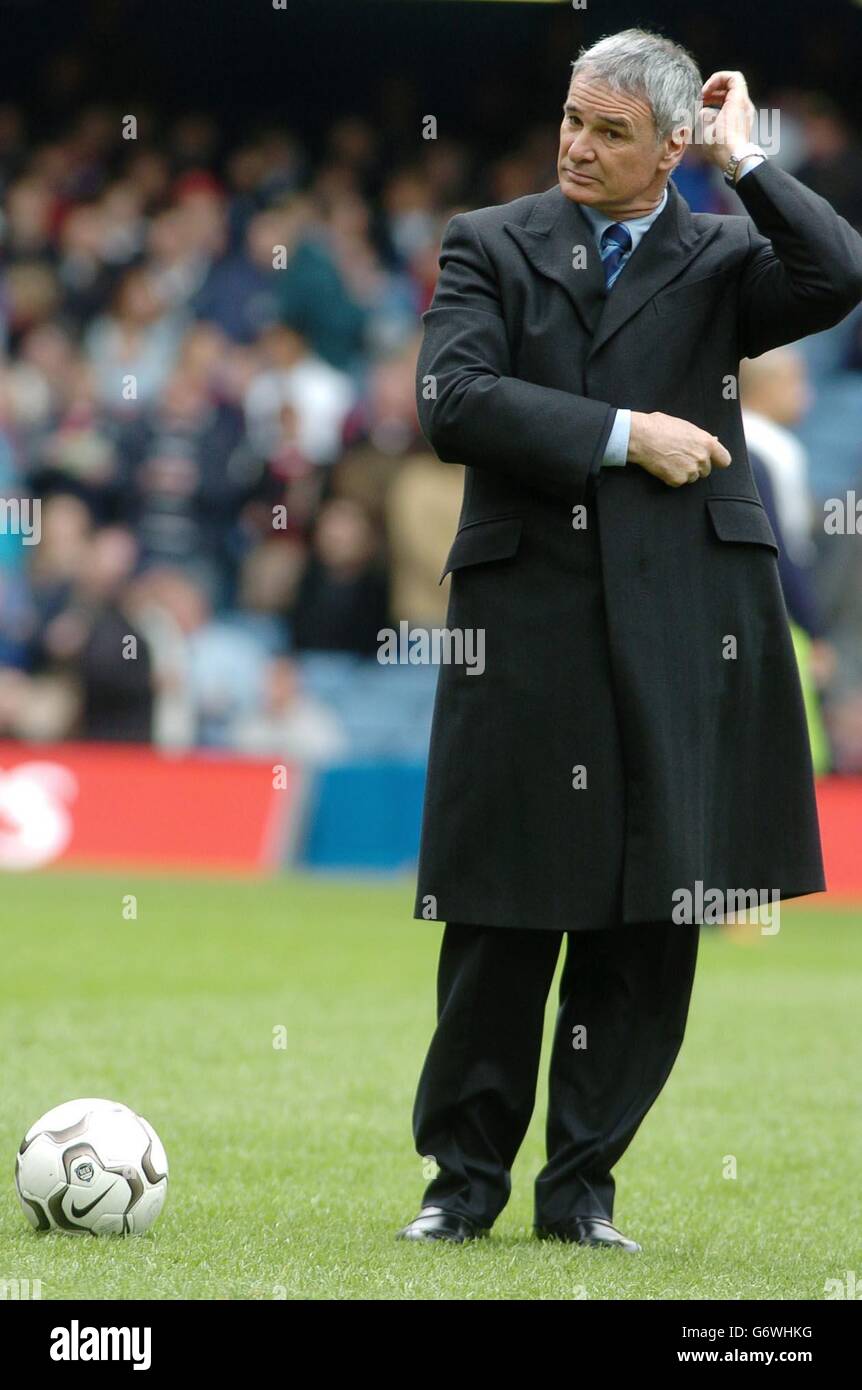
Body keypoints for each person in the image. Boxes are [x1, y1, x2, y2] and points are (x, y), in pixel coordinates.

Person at [398, 29, 862, 1250]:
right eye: (571, 120)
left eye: (611, 131)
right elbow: (452, 401)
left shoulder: (720, 249)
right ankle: (460, 1185)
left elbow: (836, 275)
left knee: (653, 911)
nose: (578, 146)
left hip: (689, 617)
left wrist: (745, 161)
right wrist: (622, 432)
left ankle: (582, 1192)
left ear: (671, 146)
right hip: (525, 616)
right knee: (503, 906)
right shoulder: (487, 241)